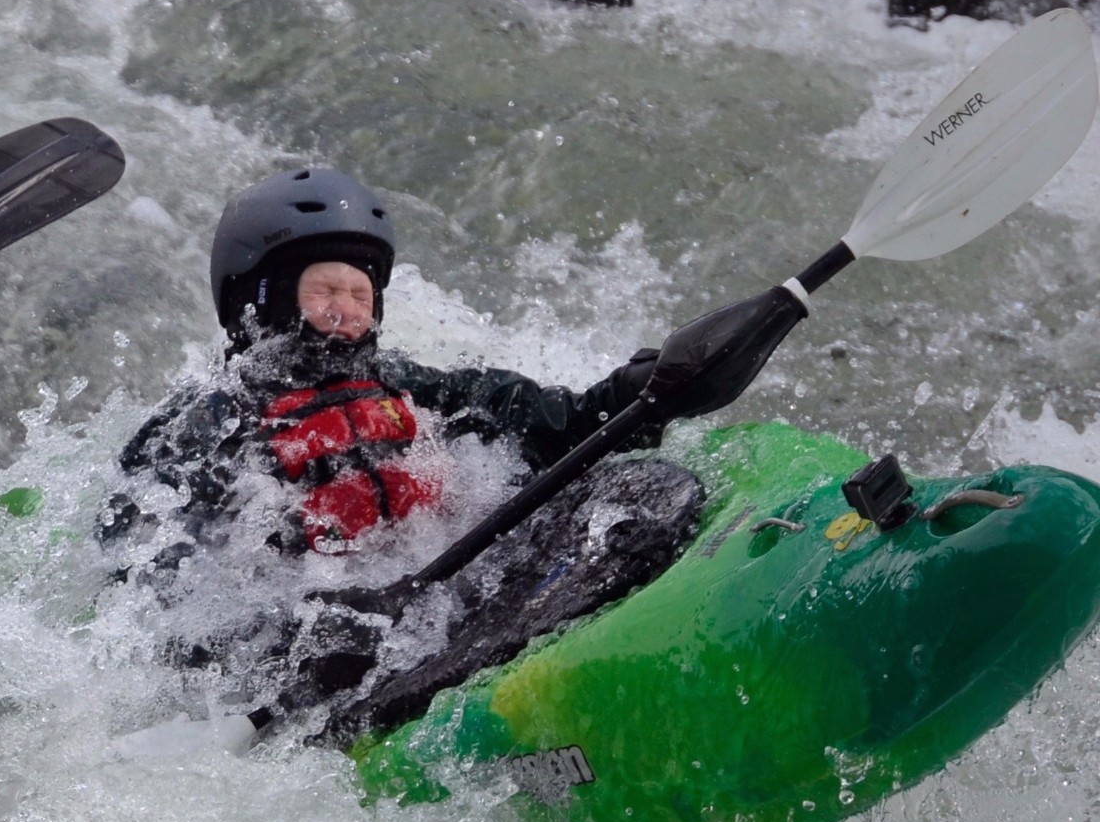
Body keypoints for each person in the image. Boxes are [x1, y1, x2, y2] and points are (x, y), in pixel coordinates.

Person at [102, 167, 743, 744]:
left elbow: (557, 425)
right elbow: (152, 580)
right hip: (334, 667)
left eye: (361, 295)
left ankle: (568, 647)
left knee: (642, 491)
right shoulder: (205, 429)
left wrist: (644, 390)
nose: (346, 314)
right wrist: (288, 636)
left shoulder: (415, 390)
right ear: (261, 299)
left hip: (449, 617)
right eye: (325, 290)